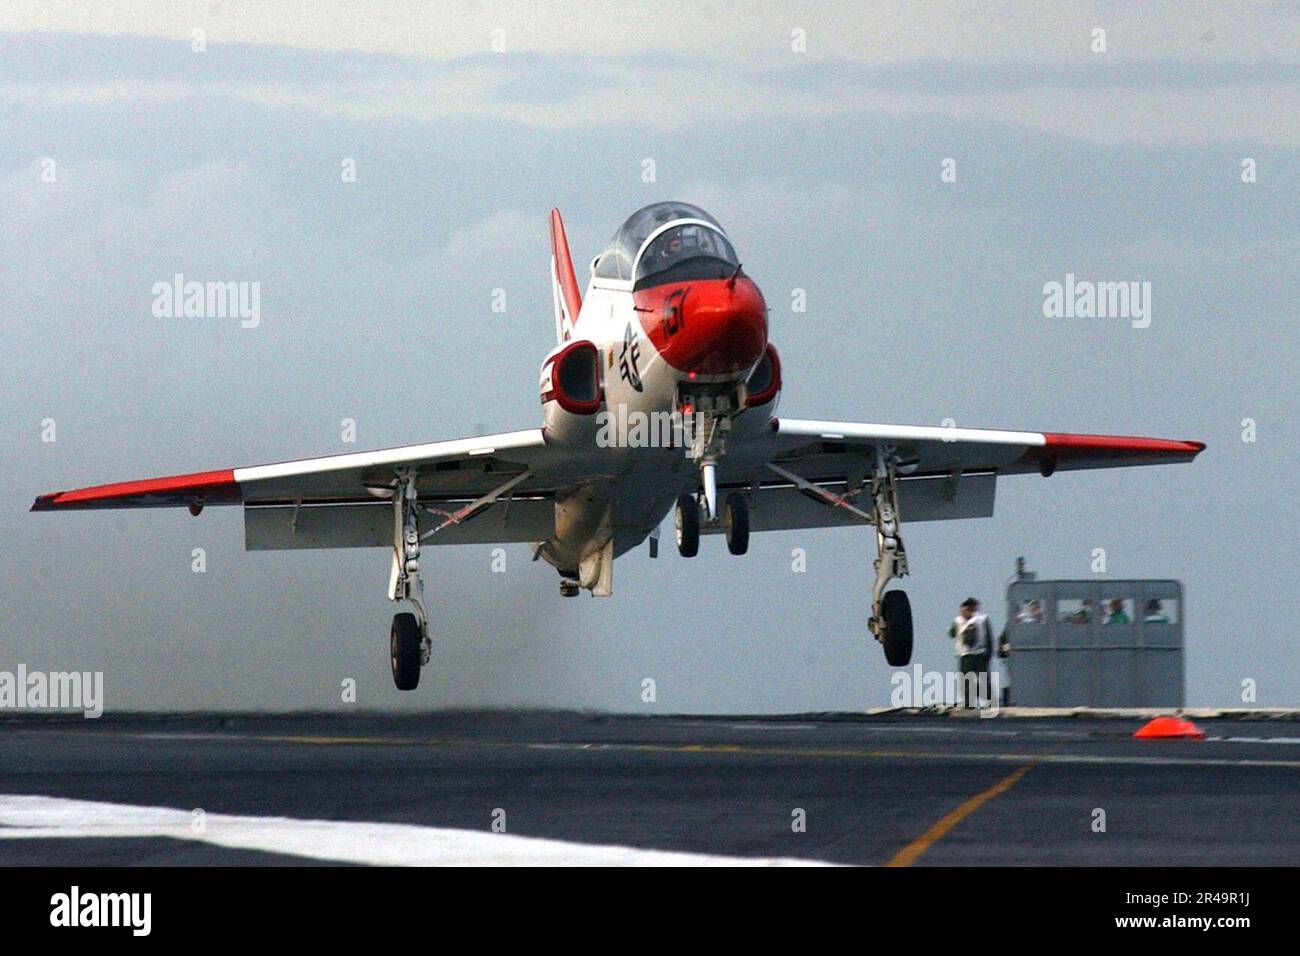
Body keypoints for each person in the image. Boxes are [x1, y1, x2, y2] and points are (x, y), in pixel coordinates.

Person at [949, 598, 994, 708]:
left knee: (982, 679)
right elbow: (952, 634)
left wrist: (988, 654)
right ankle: (969, 702)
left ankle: (989, 700)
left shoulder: (981, 619)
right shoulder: (958, 621)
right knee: (966, 680)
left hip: (978, 653)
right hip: (966, 654)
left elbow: (988, 638)